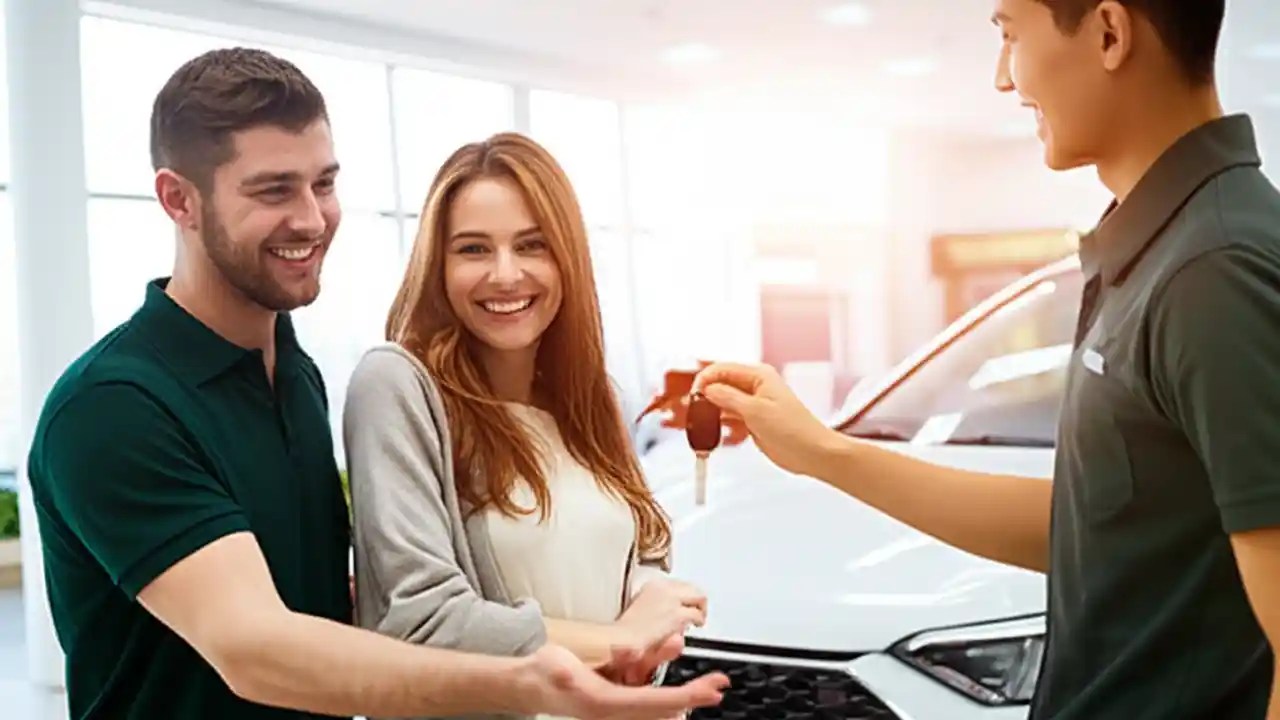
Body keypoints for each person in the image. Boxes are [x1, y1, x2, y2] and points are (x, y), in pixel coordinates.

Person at [25, 48, 726, 720]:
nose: (311, 217)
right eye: (274, 190)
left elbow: (334, 602)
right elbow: (257, 650)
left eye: (323, 183)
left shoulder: (294, 376)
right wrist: (548, 668)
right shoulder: (112, 408)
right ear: (179, 200)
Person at [694, 1, 1280, 719]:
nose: (1004, 79)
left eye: (1009, 36)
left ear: (1108, 32)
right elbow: (1090, 526)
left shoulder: (1213, 268)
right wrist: (823, 451)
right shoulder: (1163, 250)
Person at [342, 132, 708, 720]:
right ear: (438, 264)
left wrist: (651, 609)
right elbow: (423, 620)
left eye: (531, 245)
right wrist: (619, 641)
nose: (506, 275)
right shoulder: (397, 386)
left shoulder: (591, 399)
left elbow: (635, 556)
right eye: (473, 249)